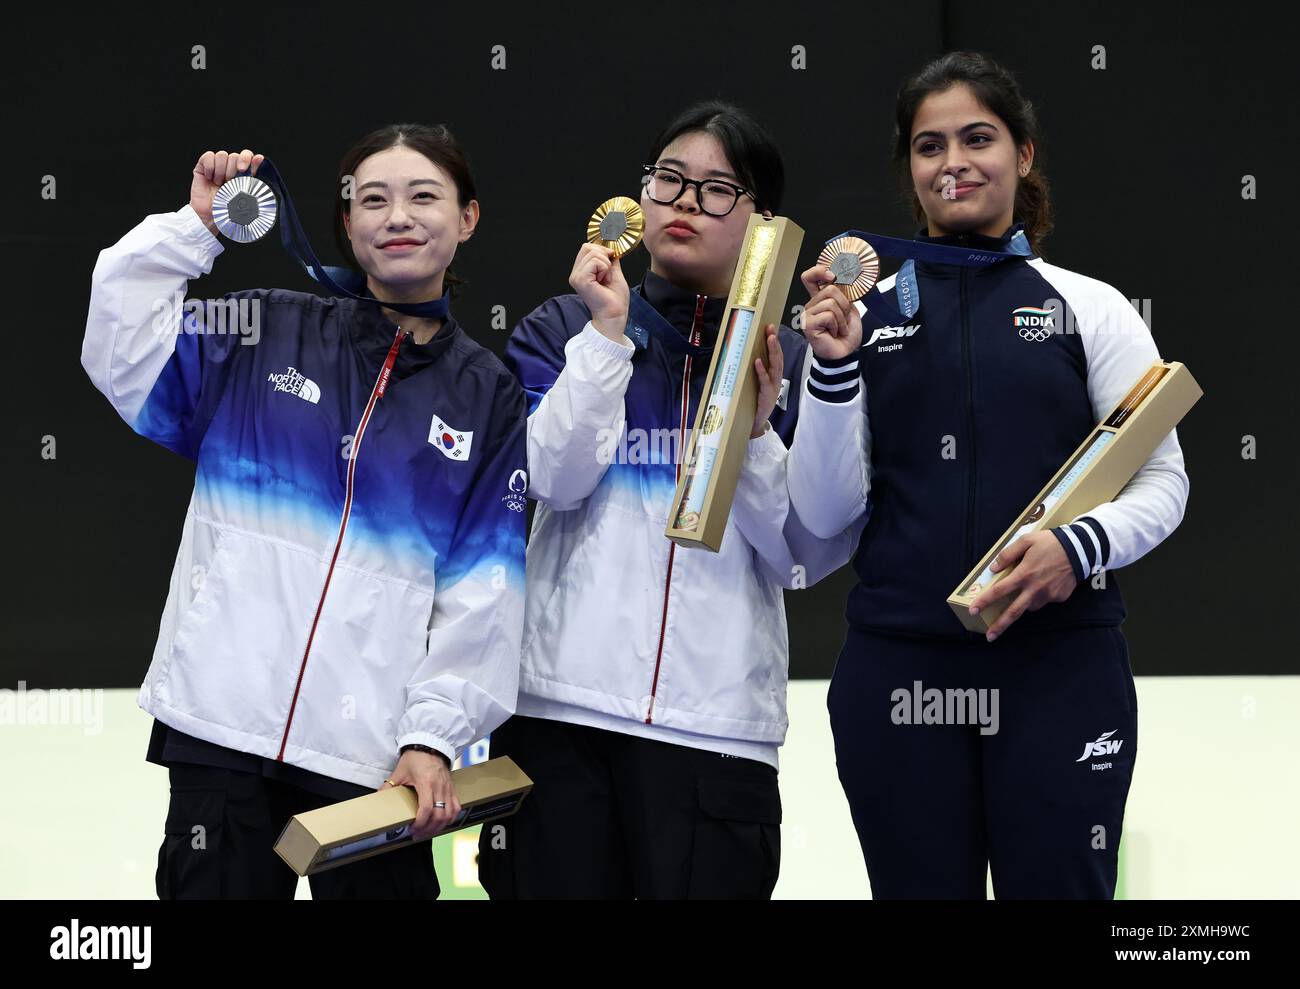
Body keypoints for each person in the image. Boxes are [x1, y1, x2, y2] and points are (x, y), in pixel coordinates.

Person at [81, 126, 527, 899]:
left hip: (374, 755)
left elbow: (483, 590)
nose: (398, 216)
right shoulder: (261, 329)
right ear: (346, 223)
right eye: (372, 199)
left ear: (468, 218)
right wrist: (197, 230)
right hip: (219, 731)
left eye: (424, 196)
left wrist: (432, 737)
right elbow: (119, 344)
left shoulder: (487, 395)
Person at [789, 52, 1190, 899]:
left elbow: (1163, 480)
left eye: (979, 138)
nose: (953, 162)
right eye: (929, 145)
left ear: (1025, 154)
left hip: (1059, 671)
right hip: (902, 675)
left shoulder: (1090, 305)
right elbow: (824, 515)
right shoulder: (862, 312)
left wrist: (1077, 548)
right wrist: (830, 369)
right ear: (909, 166)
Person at [475, 100, 862, 899]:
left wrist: (754, 436)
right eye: (670, 180)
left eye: (718, 189)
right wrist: (607, 339)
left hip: (716, 735)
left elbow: (804, 553)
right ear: (638, 198)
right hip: (559, 718)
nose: (685, 202)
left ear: (763, 223)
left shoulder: (788, 357)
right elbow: (552, 479)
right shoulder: (564, 327)